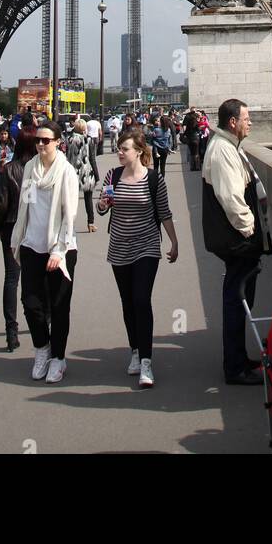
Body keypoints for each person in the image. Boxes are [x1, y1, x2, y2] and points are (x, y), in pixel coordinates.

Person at [97, 128, 178, 388]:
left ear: (139, 152)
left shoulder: (154, 179)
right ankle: (134, 350)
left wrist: (174, 241)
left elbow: (164, 212)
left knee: (141, 299)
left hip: (147, 245)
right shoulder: (113, 175)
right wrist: (102, 205)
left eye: (125, 149)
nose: (120, 152)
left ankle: (146, 361)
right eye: (119, 149)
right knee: (128, 302)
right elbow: (102, 207)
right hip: (119, 245)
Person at [202, 99, 270, 386]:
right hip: (238, 240)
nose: (250, 122)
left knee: (240, 301)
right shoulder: (223, 150)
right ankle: (235, 366)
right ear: (233, 122)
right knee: (237, 301)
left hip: (237, 239)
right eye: (246, 118)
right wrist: (250, 230)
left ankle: (239, 359)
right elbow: (231, 198)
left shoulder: (227, 146)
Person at [10, 121, 79, 383]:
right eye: (38, 140)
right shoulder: (30, 168)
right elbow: (25, 206)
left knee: (60, 308)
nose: (40, 144)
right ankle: (42, 349)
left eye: (45, 140)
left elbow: (69, 216)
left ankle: (58, 358)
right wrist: (19, 236)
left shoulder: (67, 173)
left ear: (58, 143)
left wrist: (59, 250)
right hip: (31, 245)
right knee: (30, 303)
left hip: (59, 249)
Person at [0, 127, 38, 351]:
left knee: (11, 279)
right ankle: (42, 319)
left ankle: (11, 332)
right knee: (36, 278)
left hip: (10, 228)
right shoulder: (38, 170)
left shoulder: (8, 170)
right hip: (33, 229)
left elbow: (1, 203)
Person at [66, 117, 100, 232]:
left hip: (72, 171)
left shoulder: (69, 139)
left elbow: (67, 156)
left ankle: (69, 223)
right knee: (88, 198)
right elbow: (92, 159)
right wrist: (96, 175)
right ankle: (90, 223)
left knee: (71, 199)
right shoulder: (88, 140)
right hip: (86, 171)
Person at [150, 115, 173, 179]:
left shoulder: (156, 130)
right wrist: (169, 148)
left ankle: (155, 179)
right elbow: (169, 140)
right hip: (165, 149)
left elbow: (151, 140)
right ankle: (162, 179)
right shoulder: (168, 130)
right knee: (163, 166)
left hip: (157, 149)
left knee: (156, 166)